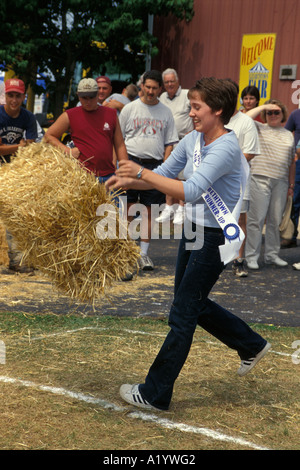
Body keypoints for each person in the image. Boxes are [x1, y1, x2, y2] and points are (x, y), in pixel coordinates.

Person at [106, 77, 271, 411]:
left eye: (197, 107)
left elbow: (192, 190)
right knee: (190, 302)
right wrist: (130, 178)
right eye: (191, 106)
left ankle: (155, 393)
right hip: (195, 230)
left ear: (218, 110)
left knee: (182, 312)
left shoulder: (225, 147)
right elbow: (166, 170)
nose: (190, 112)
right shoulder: (195, 138)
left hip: (214, 237)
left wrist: (141, 172)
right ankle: (251, 344)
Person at [118, 70, 178, 270]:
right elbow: (118, 139)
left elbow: (170, 143)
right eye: (148, 87)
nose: (150, 91)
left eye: (154, 88)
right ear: (142, 86)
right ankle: (124, 253)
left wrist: (165, 167)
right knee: (127, 210)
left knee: (149, 212)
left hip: (155, 165)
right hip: (130, 161)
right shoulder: (130, 109)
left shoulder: (166, 112)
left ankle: (143, 254)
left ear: (160, 89)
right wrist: (121, 162)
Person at [44, 78, 128, 183]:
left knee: (121, 199)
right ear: (78, 96)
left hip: (109, 175)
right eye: (84, 98)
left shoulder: (111, 114)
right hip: (82, 177)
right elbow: (49, 135)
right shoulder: (70, 115)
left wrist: (125, 173)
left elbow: (120, 144)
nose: (88, 102)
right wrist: (67, 151)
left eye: (91, 97)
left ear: (98, 95)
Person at [245, 99, 295, 269]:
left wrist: (291, 183)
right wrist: (264, 106)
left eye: (276, 112)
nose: (273, 115)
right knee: (256, 220)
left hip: (280, 181)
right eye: (269, 112)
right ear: (265, 115)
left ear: (283, 115)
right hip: (259, 178)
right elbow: (245, 118)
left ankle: (272, 255)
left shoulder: (288, 134)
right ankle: (251, 256)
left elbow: (291, 162)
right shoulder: (258, 128)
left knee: (275, 220)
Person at [0, 78, 38, 274]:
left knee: (15, 216)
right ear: (4, 96)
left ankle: (16, 260)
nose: (14, 100)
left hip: (16, 172)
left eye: (17, 96)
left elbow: (31, 148)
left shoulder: (28, 117)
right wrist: (18, 146)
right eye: (10, 95)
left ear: (23, 97)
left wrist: (16, 149)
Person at [226, 80, 260, 277]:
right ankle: (216, 258)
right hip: (215, 179)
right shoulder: (216, 117)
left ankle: (239, 260)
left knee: (239, 219)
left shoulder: (245, 121)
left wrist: (226, 165)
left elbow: (250, 152)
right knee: (214, 218)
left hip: (238, 179)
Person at [156, 68, 194, 225]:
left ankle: (181, 208)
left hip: (184, 139)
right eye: (167, 82)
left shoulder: (186, 95)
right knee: (168, 173)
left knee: (183, 176)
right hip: (168, 141)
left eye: (172, 81)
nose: (170, 84)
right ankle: (169, 207)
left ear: (178, 81)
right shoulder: (163, 97)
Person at [284, 109, 300, 248]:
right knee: (294, 201)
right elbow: (286, 133)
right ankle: (291, 236)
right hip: (298, 162)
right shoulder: (295, 114)